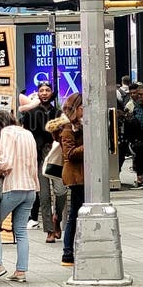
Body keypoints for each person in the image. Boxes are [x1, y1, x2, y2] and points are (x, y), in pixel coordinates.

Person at [0, 110, 39, 283]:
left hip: (13, 187)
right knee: (21, 230)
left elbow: (6, 163)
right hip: (30, 188)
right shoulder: (27, 133)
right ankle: (20, 271)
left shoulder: (6, 133)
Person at [19, 81, 65, 240]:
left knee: (61, 191)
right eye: (41, 90)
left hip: (55, 154)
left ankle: (57, 218)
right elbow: (25, 135)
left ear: (52, 93)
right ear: (37, 93)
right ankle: (49, 230)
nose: (44, 93)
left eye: (47, 90)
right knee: (44, 195)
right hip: (39, 156)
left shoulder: (58, 113)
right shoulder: (30, 113)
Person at [59, 94, 83, 268]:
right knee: (74, 214)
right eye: (83, 107)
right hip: (76, 176)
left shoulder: (81, 125)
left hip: (83, 175)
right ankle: (67, 252)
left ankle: (70, 252)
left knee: (76, 213)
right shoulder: (68, 128)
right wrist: (88, 144)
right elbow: (69, 154)